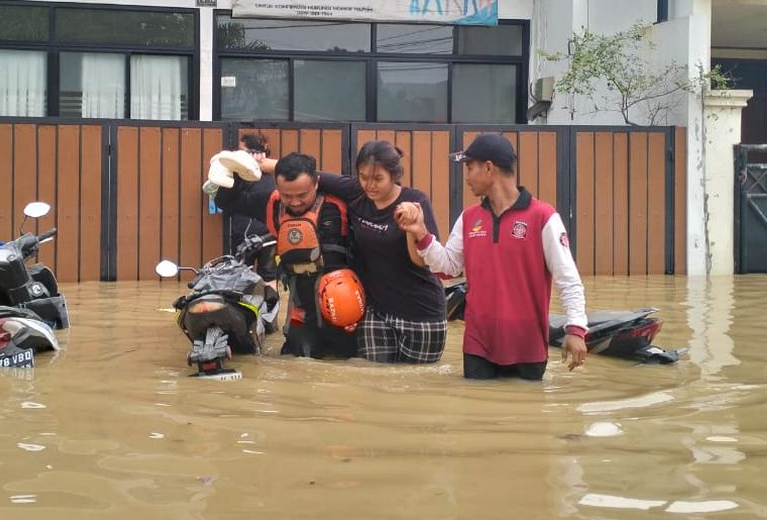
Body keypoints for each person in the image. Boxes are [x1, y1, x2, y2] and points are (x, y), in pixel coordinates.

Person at [395, 133, 588, 380]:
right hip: (478, 345)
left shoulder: (543, 217)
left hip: (528, 347)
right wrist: (420, 232)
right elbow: (448, 267)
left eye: (469, 168)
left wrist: (576, 329)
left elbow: (568, 279)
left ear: (488, 168)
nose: (466, 177)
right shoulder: (469, 217)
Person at [306, 140, 448, 364]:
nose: (369, 185)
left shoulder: (415, 202)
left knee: (416, 380)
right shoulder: (356, 193)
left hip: (421, 313)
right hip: (377, 310)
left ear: (394, 175)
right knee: (372, 375)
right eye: (363, 177)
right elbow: (305, 174)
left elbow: (421, 262)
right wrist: (256, 162)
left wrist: (413, 228)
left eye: (378, 179)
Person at [218, 151, 356, 358]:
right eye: (287, 195)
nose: (295, 202)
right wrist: (235, 171)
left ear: (317, 183)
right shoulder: (272, 203)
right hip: (302, 315)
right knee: (296, 362)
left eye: (302, 195)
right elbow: (227, 201)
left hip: (346, 312)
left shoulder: (342, 204)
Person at [212, 132, 278, 284]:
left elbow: (225, 202)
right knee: (266, 276)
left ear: (253, 153)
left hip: (253, 236)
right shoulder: (262, 178)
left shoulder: (257, 178)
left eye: (241, 150)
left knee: (245, 276)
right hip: (262, 235)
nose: (237, 154)